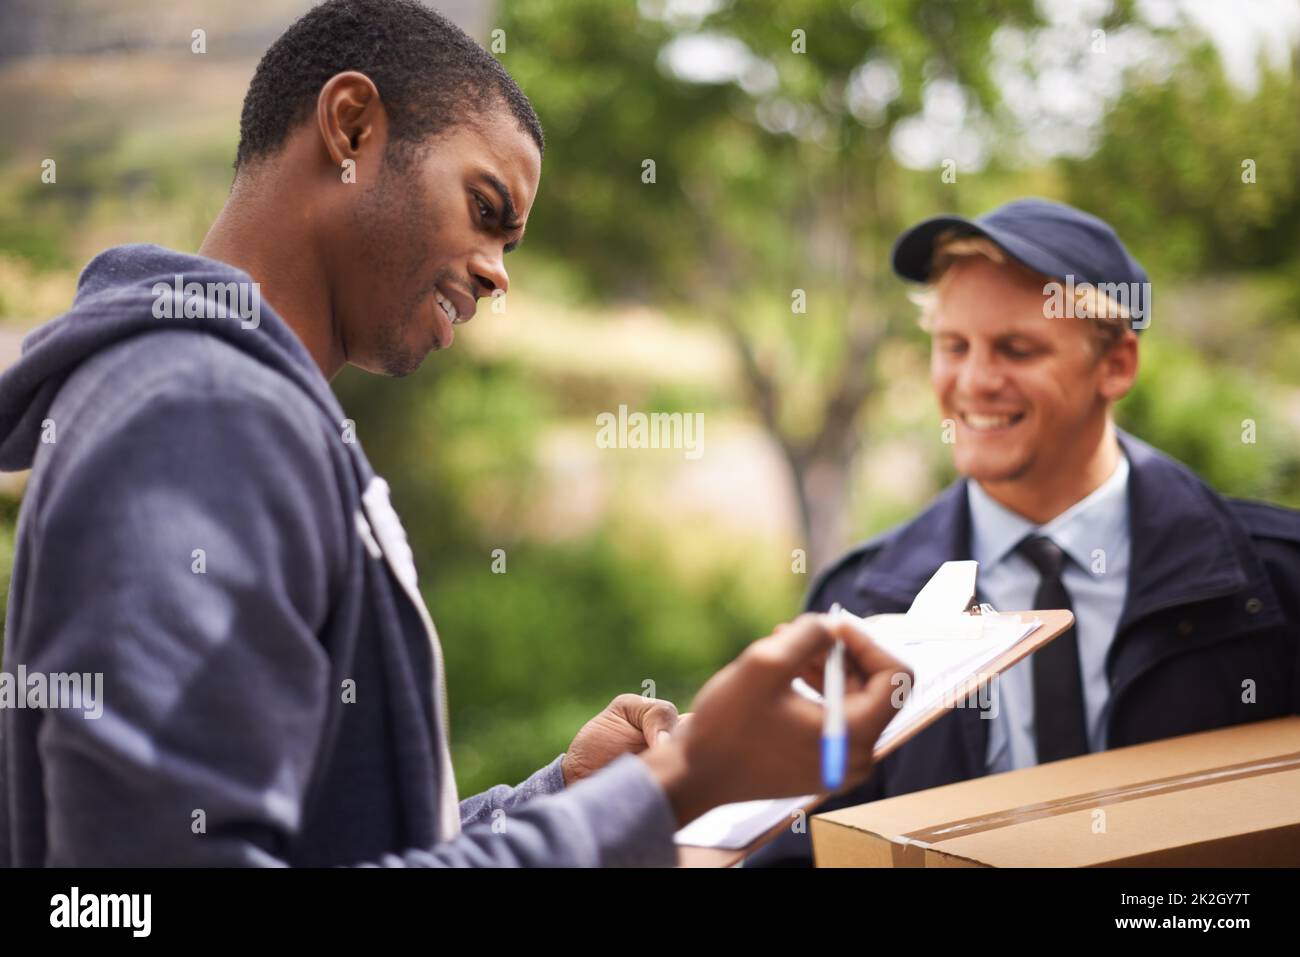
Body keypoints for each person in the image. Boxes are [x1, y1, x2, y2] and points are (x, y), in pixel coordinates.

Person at [0, 0, 910, 867]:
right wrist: (682, 781)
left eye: (512, 244)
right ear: (352, 128)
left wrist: (569, 797)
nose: (498, 274)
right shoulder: (203, 414)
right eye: (486, 211)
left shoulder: (226, 402)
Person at [748, 197, 1300, 867]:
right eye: (954, 345)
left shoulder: (1276, 581)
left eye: (1018, 348)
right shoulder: (861, 607)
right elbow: (802, 848)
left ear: (1117, 365)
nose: (975, 382)